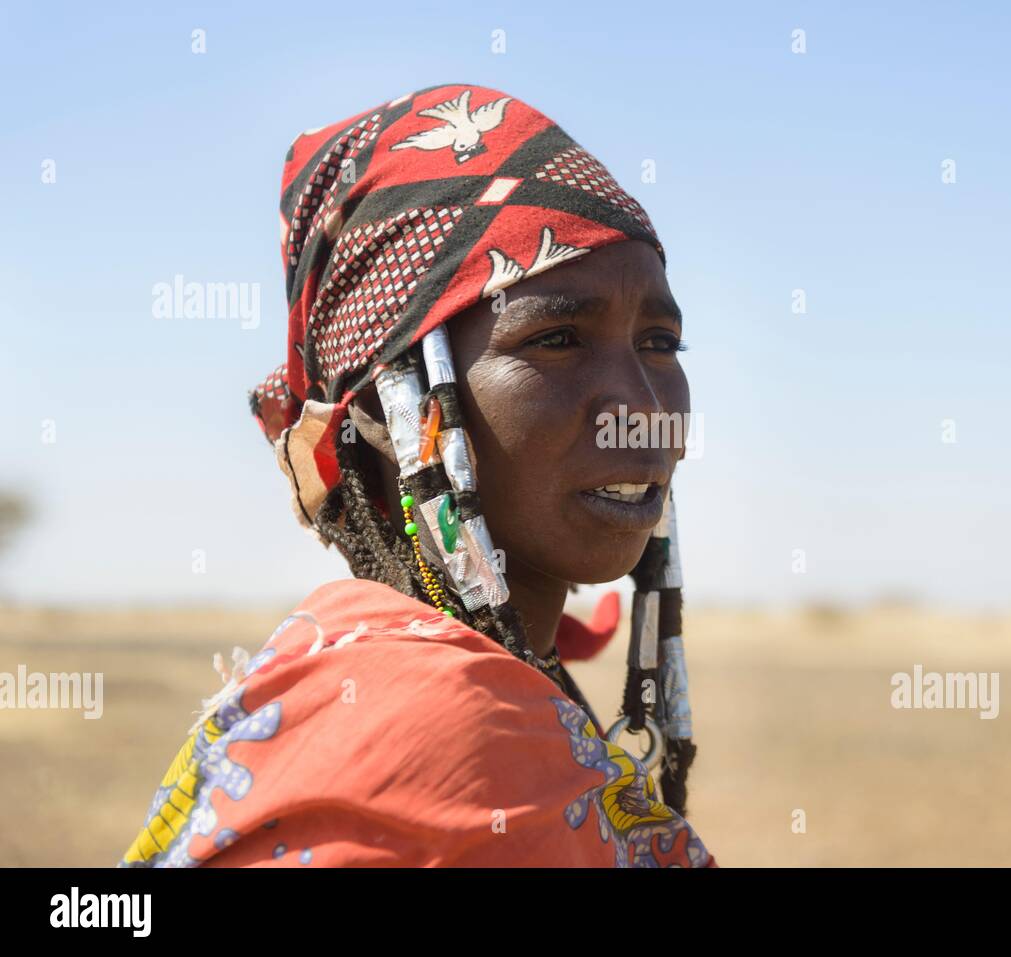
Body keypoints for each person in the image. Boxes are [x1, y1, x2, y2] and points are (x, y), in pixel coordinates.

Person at [118, 83, 714, 868]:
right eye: (559, 338)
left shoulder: (502, 695)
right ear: (382, 406)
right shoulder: (422, 735)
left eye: (660, 343)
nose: (639, 407)